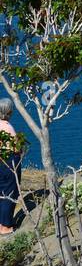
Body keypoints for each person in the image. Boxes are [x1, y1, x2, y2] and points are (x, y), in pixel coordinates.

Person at [0, 98, 21, 235]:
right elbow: (16, 148)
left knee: (1, 192)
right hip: (8, 162)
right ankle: (6, 226)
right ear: (10, 112)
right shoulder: (8, 127)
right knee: (9, 192)